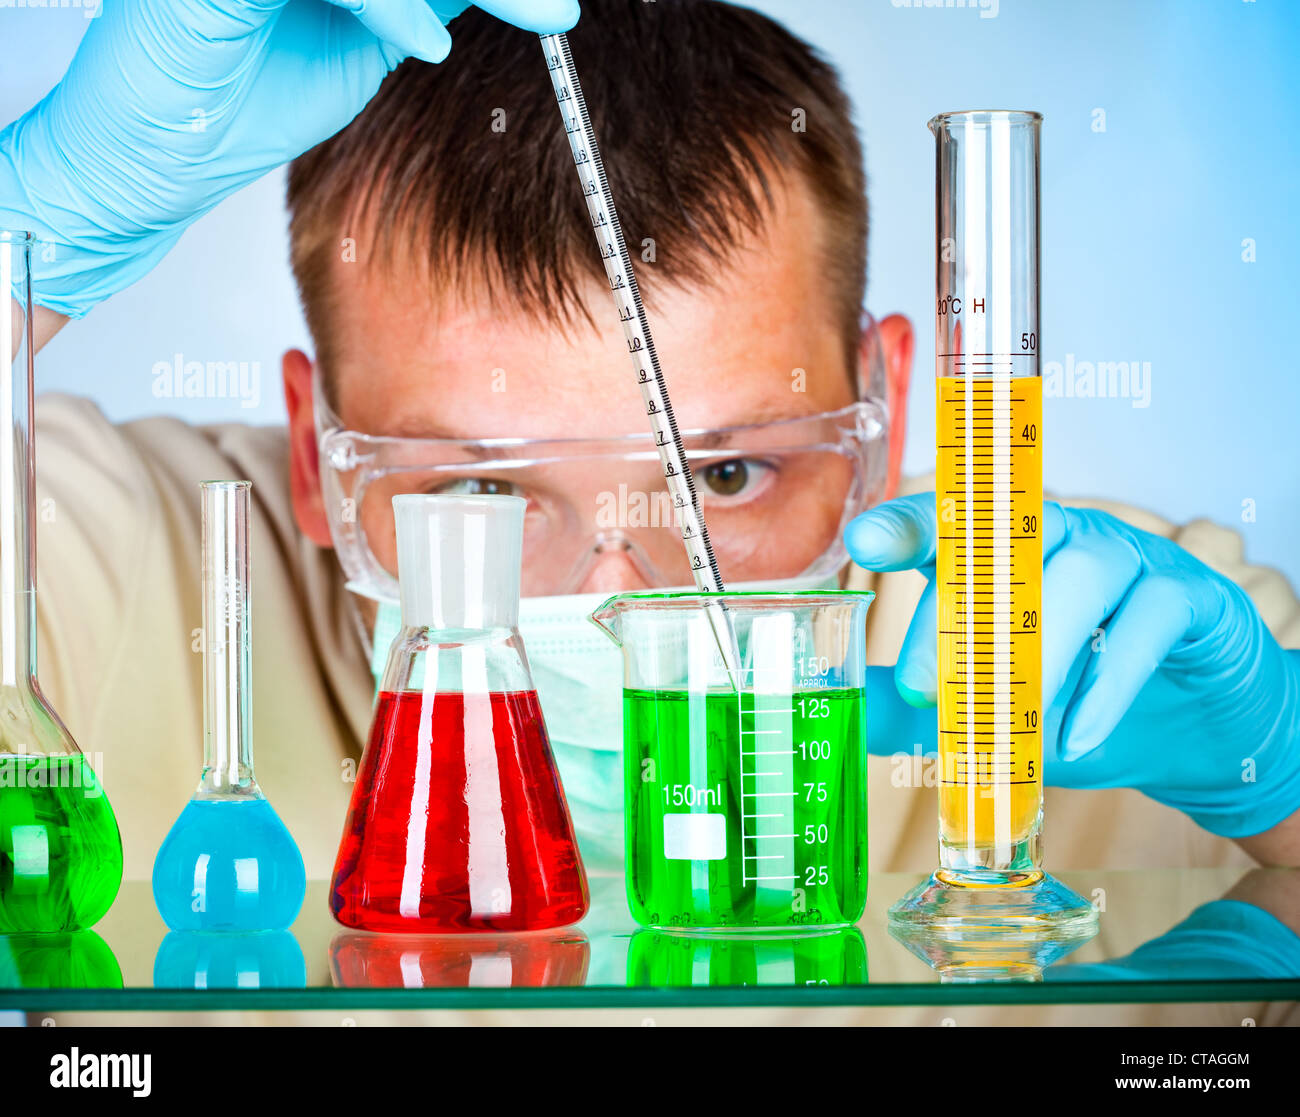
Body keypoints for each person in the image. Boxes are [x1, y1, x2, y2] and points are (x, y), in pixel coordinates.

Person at [1, 0, 1297, 895]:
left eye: (726, 473)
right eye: (483, 488)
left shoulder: (1116, 654)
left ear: (887, 409)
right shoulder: (95, 567)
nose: (624, 607)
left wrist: (1278, 795)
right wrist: (28, 239)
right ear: (311, 455)